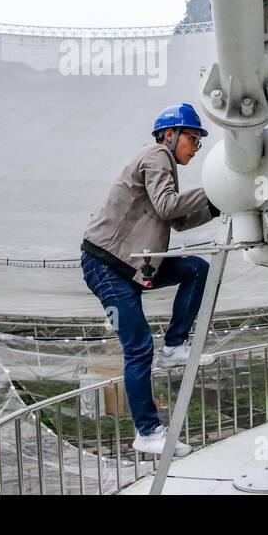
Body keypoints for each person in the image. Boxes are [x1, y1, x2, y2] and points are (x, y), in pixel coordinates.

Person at [81, 103, 222, 456]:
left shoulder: (166, 165)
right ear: (170, 134)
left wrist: (218, 205)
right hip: (108, 264)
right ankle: (147, 431)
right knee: (139, 346)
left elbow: (177, 219)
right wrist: (219, 190)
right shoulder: (157, 155)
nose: (196, 147)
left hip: (133, 265)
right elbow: (167, 207)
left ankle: (175, 345)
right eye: (193, 138)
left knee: (197, 269)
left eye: (199, 142)